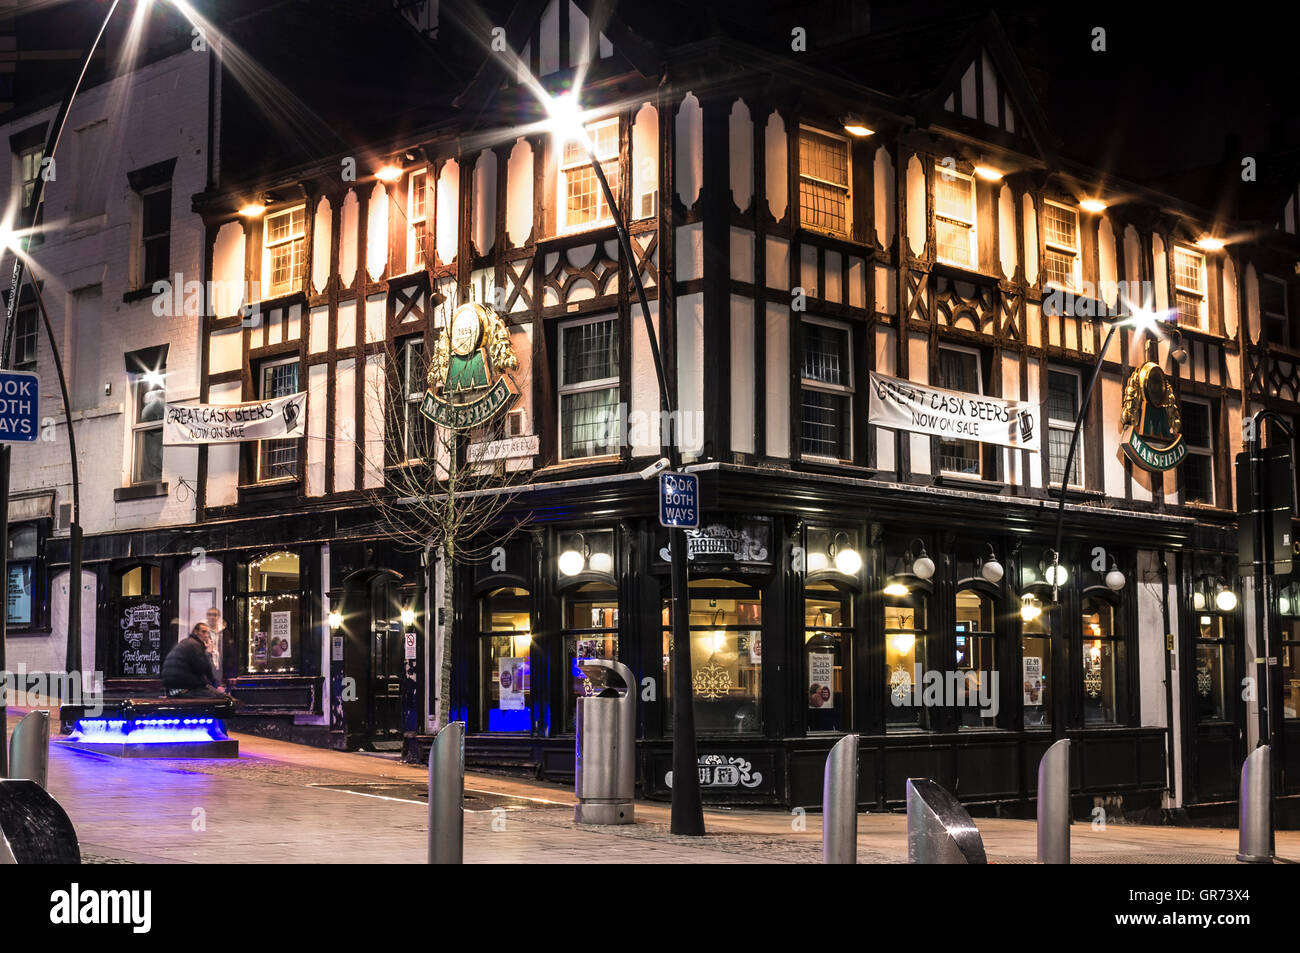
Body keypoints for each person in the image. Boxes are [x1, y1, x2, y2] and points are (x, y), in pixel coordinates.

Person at [162, 622, 226, 698]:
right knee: (219, 700)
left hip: (174, 688)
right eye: (203, 632)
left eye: (208, 633)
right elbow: (204, 668)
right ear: (195, 632)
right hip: (184, 688)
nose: (206, 635)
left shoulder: (187, 642)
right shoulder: (194, 645)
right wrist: (208, 653)